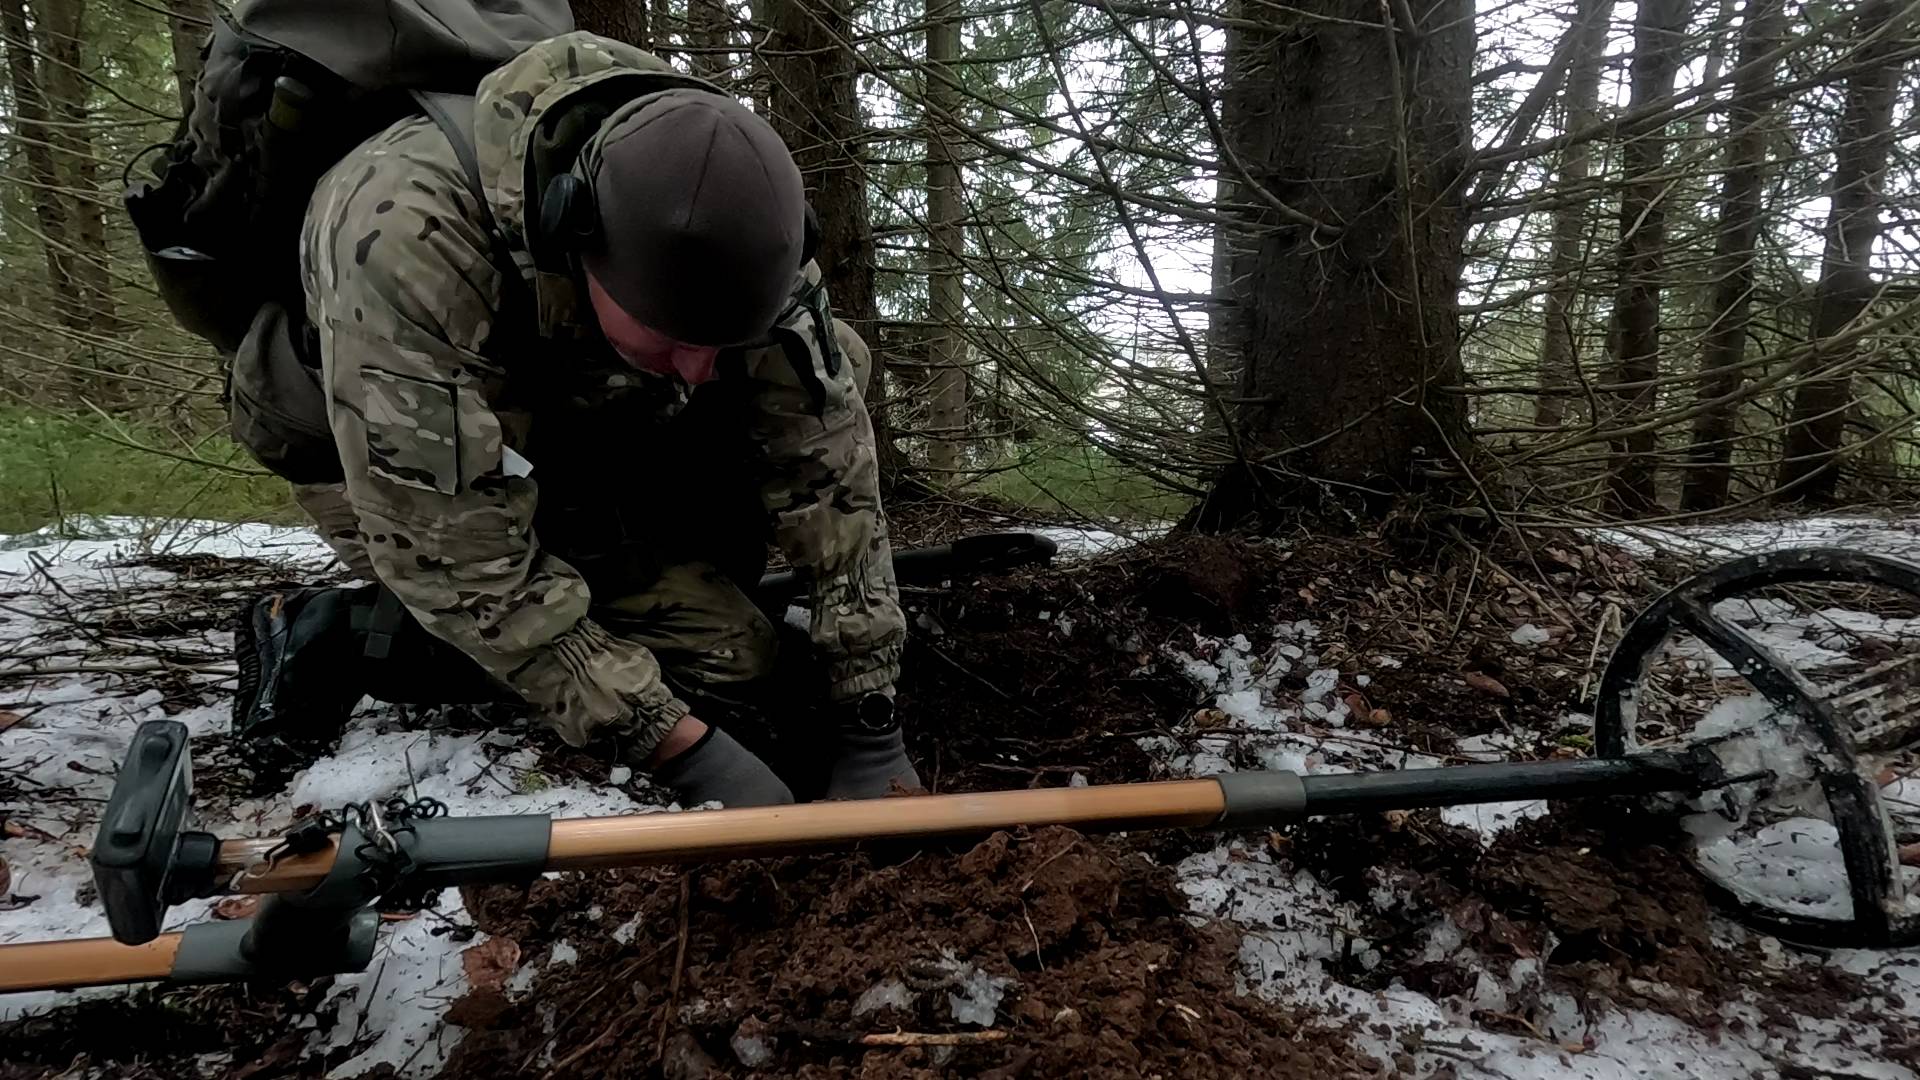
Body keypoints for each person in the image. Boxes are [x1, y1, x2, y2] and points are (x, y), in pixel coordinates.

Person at [231, 30, 915, 808]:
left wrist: (870, 717)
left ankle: (637, 566)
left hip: (573, 421)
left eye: (721, 344)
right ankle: (340, 635)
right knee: (729, 661)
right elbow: (456, 554)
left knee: (836, 359)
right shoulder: (405, 233)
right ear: (579, 239)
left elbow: (826, 456)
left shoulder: (747, 220)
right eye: (674, 336)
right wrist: (674, 743)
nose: (701, 370)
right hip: (390, 468)